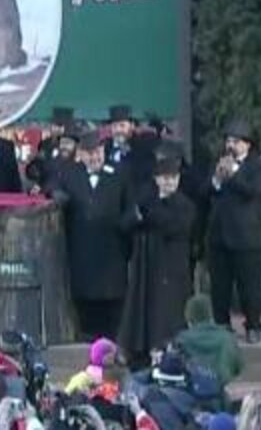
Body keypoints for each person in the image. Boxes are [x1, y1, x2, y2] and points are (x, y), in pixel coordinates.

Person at [47, 132, 133, 342]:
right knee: (85, 308)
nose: (95, 157)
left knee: (113, 306)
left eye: (98, 152)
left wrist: (126, 225)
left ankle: (112, 349)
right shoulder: (70, 173)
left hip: (112, 252)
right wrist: (56, 194)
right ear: (81, 155)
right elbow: (51, 186)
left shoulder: (119, 174)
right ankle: (88, 346)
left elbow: (130, 207)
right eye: (90, 153)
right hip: (82, 252)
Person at [119, 155, 196, 365]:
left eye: (173, 178)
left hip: (172, 268)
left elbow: (177, 227)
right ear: (157, 179)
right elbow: (125, 223)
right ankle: (139, 348)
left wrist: (149, 215)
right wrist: (140, 215)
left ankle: (165, 348)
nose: (169, 182)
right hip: (146, 265)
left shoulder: (184, 204)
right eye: (165, 178)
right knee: (144, 306)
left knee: (168, 310)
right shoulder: (146, 199)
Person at [207, 118, 261, 343]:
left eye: (236, 141)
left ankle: (253, 325)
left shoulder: (258, 166)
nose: (231, 145)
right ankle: (222, 325)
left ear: (247, 144)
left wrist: (233, 174)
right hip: (219, 235)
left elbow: (252, 192)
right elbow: (205, 190)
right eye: (229, 140)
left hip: (247, 237)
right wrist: (216, 179)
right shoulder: (218, 161)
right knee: (220, 286)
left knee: (249, 286)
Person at [173, 294, 243, 394]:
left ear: (188, 318)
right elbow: (238, 367)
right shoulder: (227, 338)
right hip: (219, 398)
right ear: (210, 315)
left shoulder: (181, 340)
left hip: (188, 398)